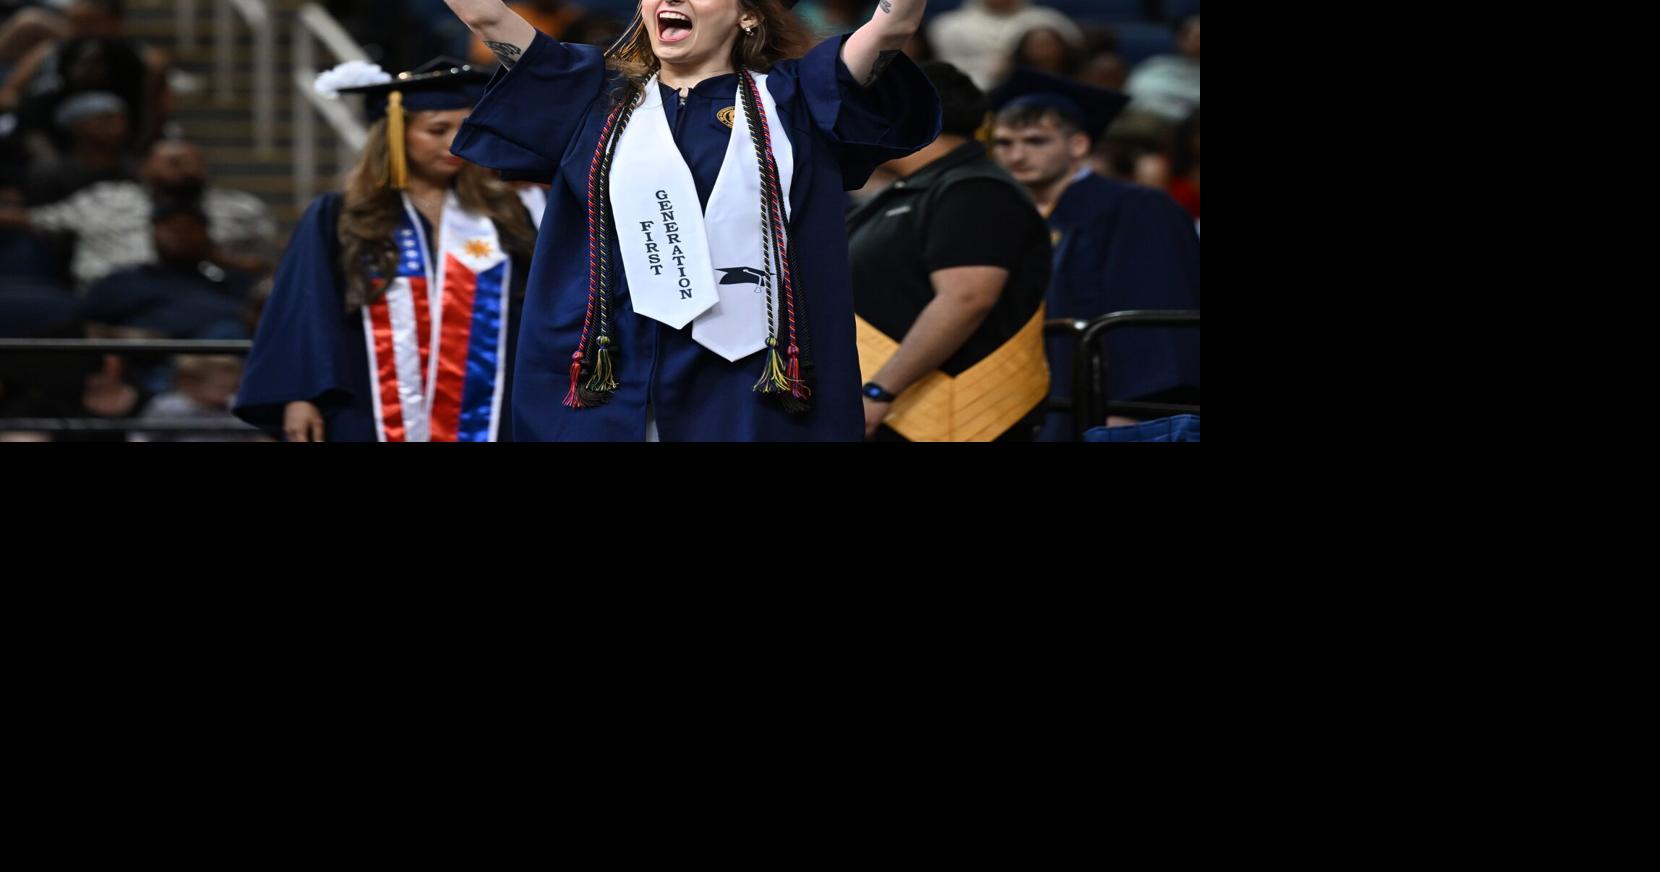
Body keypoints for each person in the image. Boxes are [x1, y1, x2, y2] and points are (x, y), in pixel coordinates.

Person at [443, 0, 941, 440]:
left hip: (748, 374)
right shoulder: (591, 95)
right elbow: (485, 13)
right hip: (610, 368)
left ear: (748, 14)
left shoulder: (795, 99)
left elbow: (893, 26)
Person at [233, 58, 537, 442]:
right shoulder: (341, 215)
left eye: (463, 130)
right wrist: (300, 395)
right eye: (436, 130)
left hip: (487, 403)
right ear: (396, 133)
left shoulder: (502, 213)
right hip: (367, 397)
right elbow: (305, 307)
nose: (453, 144)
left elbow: (534, 309)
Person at [989, 67, 1199, 440]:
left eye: (1036, 141)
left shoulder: (1136, 206)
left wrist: (1130, 408)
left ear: (1078, 146)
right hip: (1034, 400)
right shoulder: (1011, 217)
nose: (1016, 155)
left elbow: (1154, 311)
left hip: (1108, 404)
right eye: (1004, 143)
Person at [847, 61, 1050, 442]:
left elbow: (966, 299)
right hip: (896, 411)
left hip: (950, 416)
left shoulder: (975, 190)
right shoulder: (910, 189)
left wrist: (878, 391)